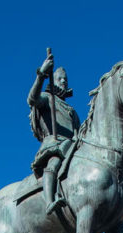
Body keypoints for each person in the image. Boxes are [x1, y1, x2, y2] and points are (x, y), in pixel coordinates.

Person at [27, 50, 81, 215]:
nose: (64, 81)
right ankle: (50, 201)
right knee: (54, 162)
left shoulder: (71, 110)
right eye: (60, 79)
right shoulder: (46, 97)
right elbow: (32, 99)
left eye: (66, 79)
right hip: (54, 144)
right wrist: (42, 75)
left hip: (73, 147)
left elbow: (77, 132)